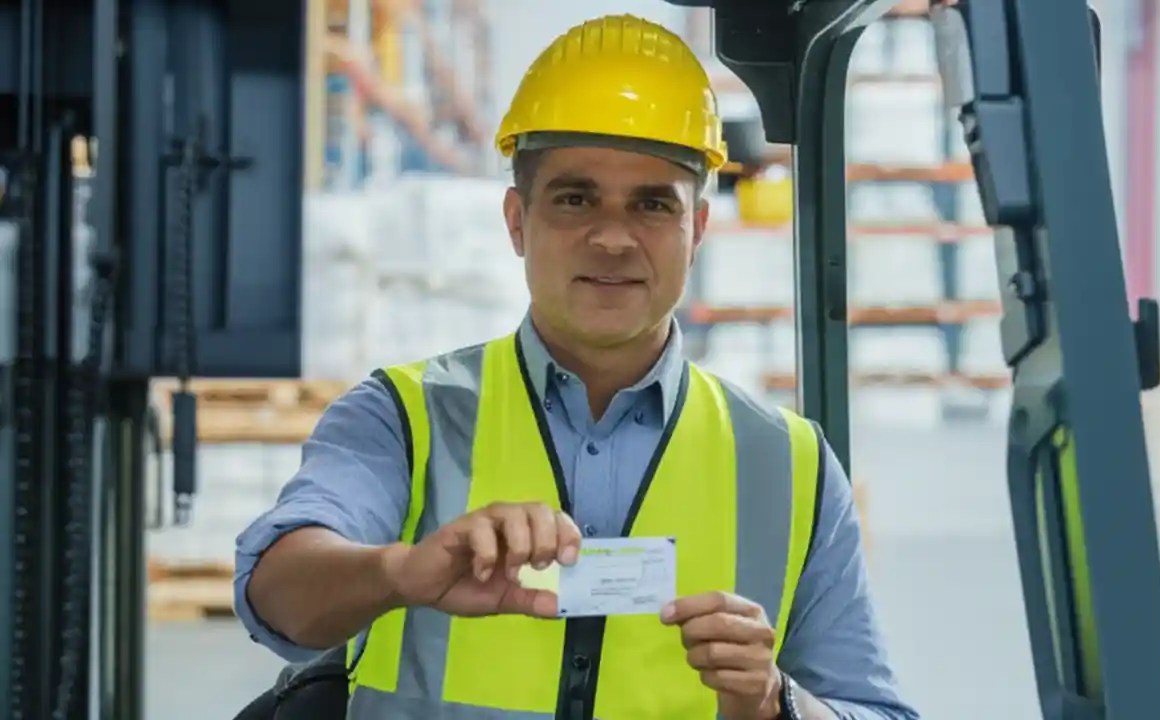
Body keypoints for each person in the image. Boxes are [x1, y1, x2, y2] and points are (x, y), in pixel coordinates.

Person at [235, 13, 918, 720]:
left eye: (653, 204)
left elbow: (874, 709)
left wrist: (778, 704)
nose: (613, 237)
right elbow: (276, 593)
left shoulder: (790, 464)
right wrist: (400, 571)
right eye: (575, 198)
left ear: (699, 231)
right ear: (516, 221)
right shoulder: (405, 417)